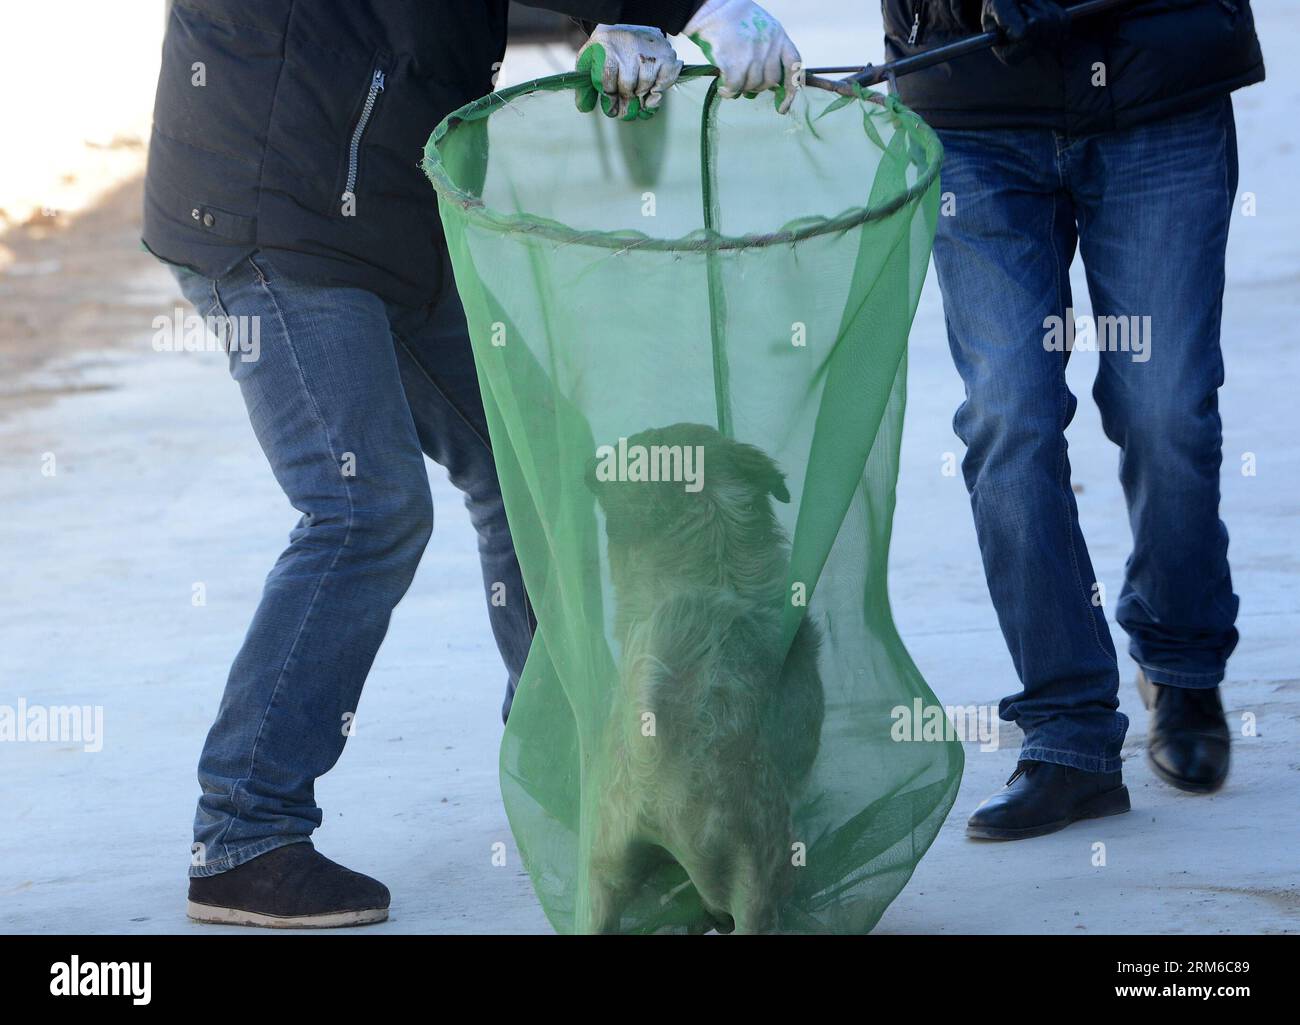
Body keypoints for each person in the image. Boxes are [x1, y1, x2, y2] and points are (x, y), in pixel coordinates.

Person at [145, 0, 799, 927]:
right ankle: (243, 831)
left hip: (385, 209)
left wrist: (655, 19)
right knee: (362, 505)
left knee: (530, 467)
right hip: (271, 194)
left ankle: (580, 774)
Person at [880, 0, 1264, 838]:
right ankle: (1069, 733)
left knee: (1166, 407)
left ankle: (1181, 657)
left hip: (1160, 89)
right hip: (972, 103)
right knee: (1006, 415)